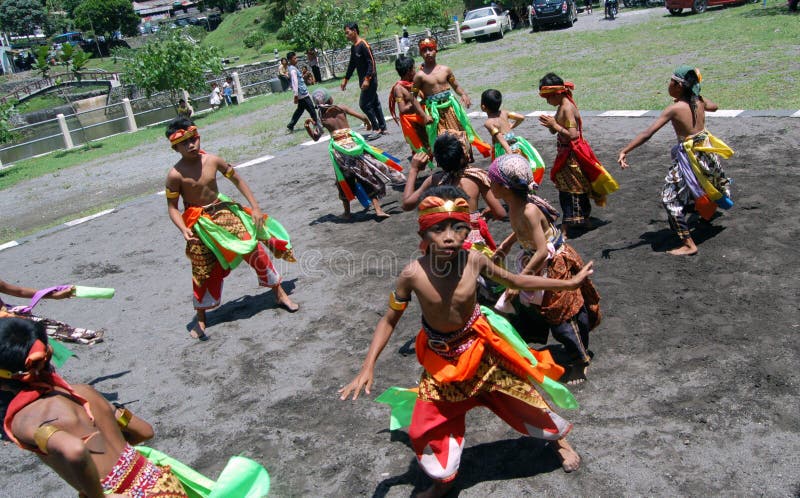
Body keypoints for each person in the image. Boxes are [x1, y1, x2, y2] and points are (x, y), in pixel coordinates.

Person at [340, 186, 592, 496]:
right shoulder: (411, 274)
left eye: (457, 228)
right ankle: (441, 482)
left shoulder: (474, 260)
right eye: (438, 228)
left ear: (467, 229)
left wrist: (567, 282)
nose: (448, 237)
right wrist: (368, 365)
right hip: (442, 364)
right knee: (426, 427)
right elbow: (389, 319)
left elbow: (515, 281)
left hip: (483, 352)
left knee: (524, 399)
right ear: (423, 231)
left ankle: (558, 441)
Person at [0, 317, 183, 497]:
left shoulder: (24, 421)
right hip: (162, 484)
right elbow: (144, 431)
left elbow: (75, 450)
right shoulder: (82, 392)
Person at [164, 118, 299, 341]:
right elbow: (172, 208)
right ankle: (200, 316)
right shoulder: (175, 175)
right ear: (175, 147)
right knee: (202, 268)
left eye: (194, 139)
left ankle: (279, 293)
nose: (191, 145)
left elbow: (237, 180)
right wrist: (182, 229)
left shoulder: (213, 160)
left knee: (254, 248)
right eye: (185, 142)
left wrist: (255, 207)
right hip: (197, 222)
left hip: (223, 212)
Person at [489, 154, 601, 384]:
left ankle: (580, 361)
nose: (490, 186)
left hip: (552, 264)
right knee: (529, 312)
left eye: (492, 182)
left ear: (504, 187)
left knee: (563, 316)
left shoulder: (528, 210)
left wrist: (518, 282)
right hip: (536, 264)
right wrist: (507, 245)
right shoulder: (515, 205)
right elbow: (523, 230)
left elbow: (542, 251)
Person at [618, 65, 733, 256]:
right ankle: (705, 216)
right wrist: (698, 96)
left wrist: (625, 150)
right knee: (707, 185)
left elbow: (648, 133)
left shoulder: (675, 108)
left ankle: (689, 245)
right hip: (706, 153)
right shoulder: (699, 101)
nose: (668, 85)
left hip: (689, 158)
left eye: (670, 82)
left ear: (678, 86)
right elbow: (715, 106)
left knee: (669, 198)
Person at [538, 72, 619, 238]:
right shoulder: (562, 106)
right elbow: (558, 130)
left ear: (557, 93)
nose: (548, 101)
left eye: (549, 97)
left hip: (571, 156)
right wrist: (551, 125)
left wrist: (554, 125)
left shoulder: (567, 108)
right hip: (565, 154)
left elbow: (573, 135)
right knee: (570, 188)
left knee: (569, 190)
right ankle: (583, 221)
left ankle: (569, 227)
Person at [305, 88, 406, 220]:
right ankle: (378, 209)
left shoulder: (321, 117)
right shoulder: (341, 108)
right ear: (330, 99)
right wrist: (368, 123)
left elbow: (316, 137)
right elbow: (363, 117)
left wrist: (308, 128)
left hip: (340, 151)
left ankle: (347, 213)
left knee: (343, 179)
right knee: (365, 174)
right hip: (355, 145)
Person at [402, 132, 506, 257]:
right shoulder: (476, 177)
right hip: (469, 242)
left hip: (443, 240)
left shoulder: (434, 180)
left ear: (438, 162)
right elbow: (500, 213)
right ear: (464, 155)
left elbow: (407, 204)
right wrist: (485, 215)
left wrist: (414, 169)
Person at [413, 37, 491, 162]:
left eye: (430, 49)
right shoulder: (419, 76)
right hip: (435, 113)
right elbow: (413, 98)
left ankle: (464, 161)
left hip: (451, 109)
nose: (427, 53)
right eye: (424, 50)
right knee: (442, 140)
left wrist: (464, 95)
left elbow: (456, 86)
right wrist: (423, 115)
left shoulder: (446, 70)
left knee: (459, 134)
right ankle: (447, 166)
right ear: (420, 53)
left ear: (436, 50)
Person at [0, 279, 103, 344]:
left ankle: (84, 336)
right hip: (6, 327)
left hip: (13, 320)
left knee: (49, 329)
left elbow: (20, 291)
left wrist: (54, 295)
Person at [481, 88, 546, 184]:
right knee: (522, 172)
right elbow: (521, 117)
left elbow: (500, 137)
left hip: (504, 150)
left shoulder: (488, 122)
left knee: (508, 177)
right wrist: (511, 125)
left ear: (483, 106)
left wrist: (510, 154)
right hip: (517, 145)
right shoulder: (504, 112)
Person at [341, 22, 388, 137]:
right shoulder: (354, 47)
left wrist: (367, 79)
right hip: (364, 81)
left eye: (347, 33)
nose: (346, 35)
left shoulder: (363, 44)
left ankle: (376, 128)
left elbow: (371, 62)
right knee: (375, 103)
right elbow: (352, 64)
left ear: (354, 31)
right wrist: (346, 79)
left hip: (370, 80)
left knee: (364, 104)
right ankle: (383, 128)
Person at [389, 55, 433, 157]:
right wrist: (418, 103)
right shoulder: (399, 89)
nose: (415, 70)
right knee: (422, 147)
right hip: (413, 121)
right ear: (409, 71)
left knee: (430, 142)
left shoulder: (414, 82)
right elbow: (402, 109)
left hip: (422, 116)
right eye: (413, 68)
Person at [286, 51, 320, 134]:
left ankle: (290, 125)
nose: (296, 59)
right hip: (302, 94)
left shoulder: (293, 68)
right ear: (290, 60)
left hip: (302, 92)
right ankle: (317, 124)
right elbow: (295, 82)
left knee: (300, 110)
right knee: (311, 109)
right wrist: (296, 95)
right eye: (294, 58)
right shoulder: (293, 70)